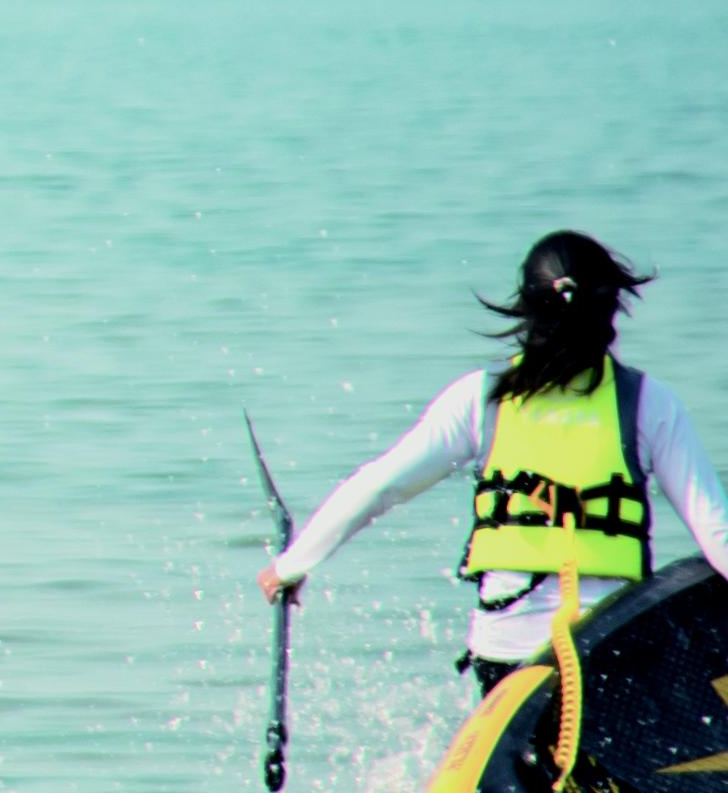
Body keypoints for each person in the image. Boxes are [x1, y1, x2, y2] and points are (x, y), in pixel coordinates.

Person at [265, 235, 717, 689]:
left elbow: (381, 487)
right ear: (612, 307)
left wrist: (292, 565)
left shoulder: (481, 399)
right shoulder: (649, 403)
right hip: (609, 649)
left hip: (507, 653)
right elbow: (716, 532)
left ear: (527, 308)